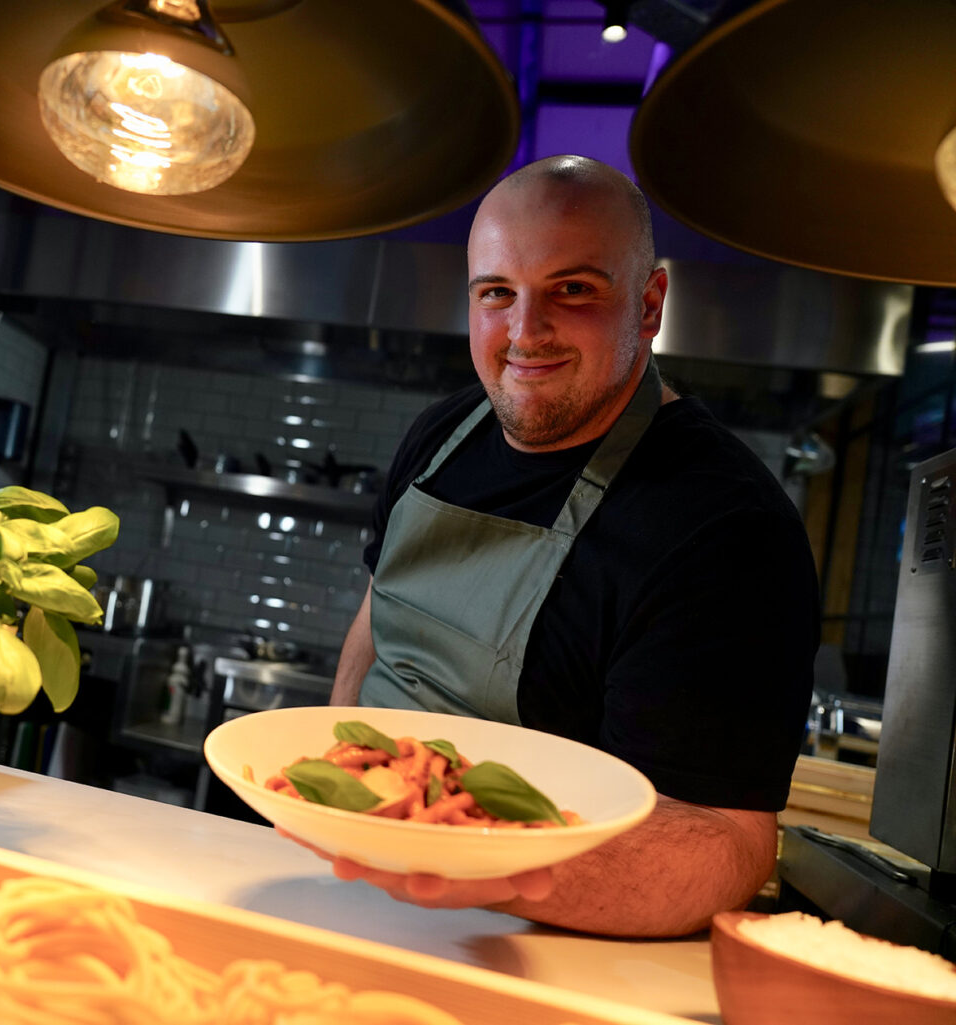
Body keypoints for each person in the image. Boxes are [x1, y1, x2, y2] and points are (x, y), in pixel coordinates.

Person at [323, 154, 819, 938]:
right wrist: (337, 788)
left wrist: (475, 861)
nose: (526, 332)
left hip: (537, 942)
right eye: (497, 294)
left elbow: (729, 844)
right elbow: (374, 623)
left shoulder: (725, 527)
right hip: (343, 884)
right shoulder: (440, 435)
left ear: (650, 302)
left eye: (574, 289)